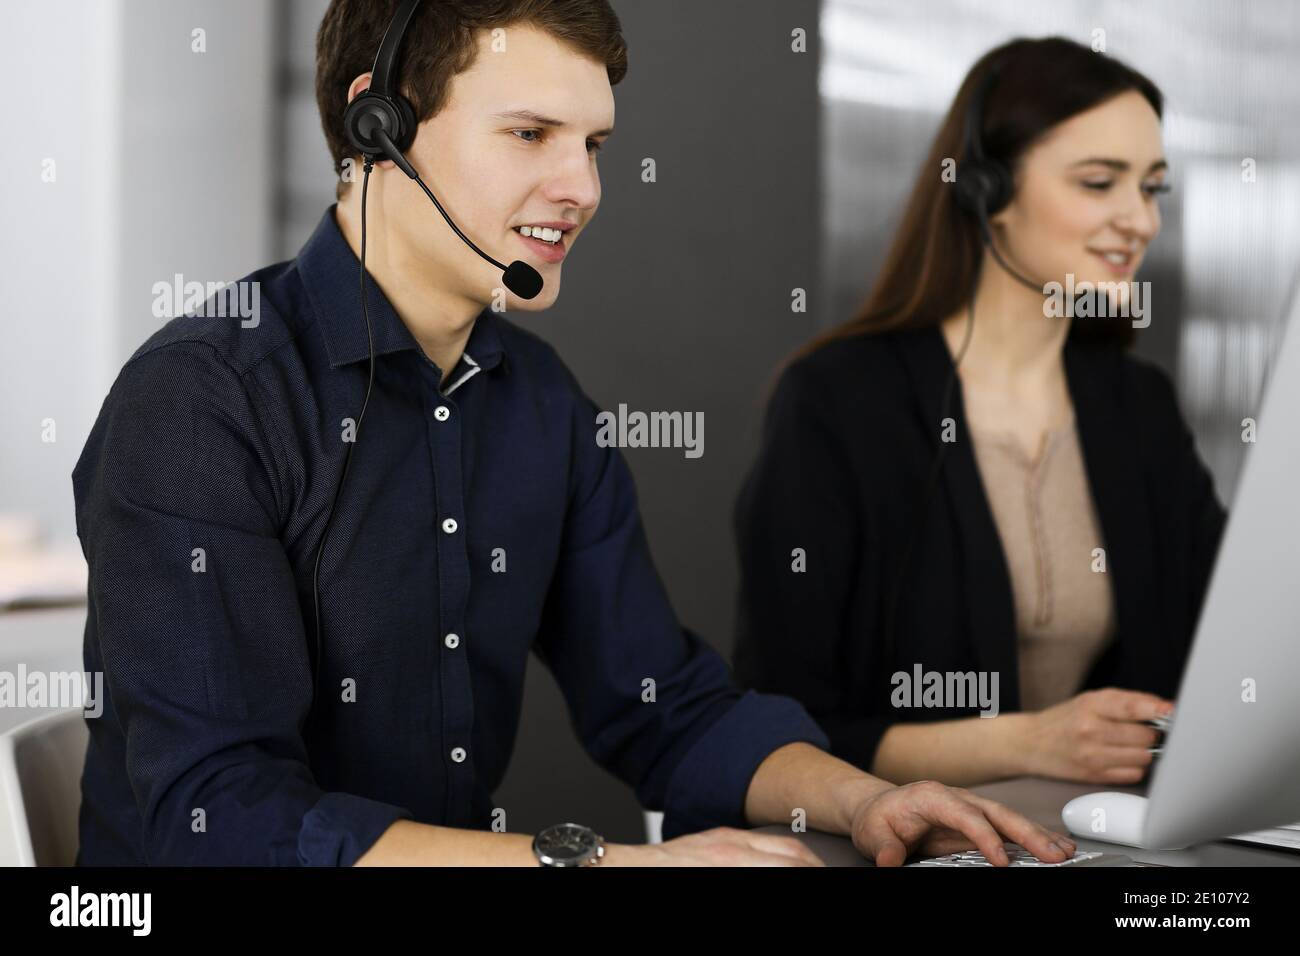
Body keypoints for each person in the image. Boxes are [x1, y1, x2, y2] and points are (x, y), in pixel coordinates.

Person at [71, 1, 1074, 867]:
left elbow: (665, 703)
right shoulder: (202, 402)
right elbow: (219, 820)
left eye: (591, 145)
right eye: (530, 134)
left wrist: (863, 801)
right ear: (377, 123)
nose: (583, 190)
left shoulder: (536, 402)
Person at [733, 37, 1225, 789]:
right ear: (986, 192)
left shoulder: (1139, 406)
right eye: (1100, 183)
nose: (1141, 221)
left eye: (1152, 188)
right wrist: (1028, 744)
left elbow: (1226, 648)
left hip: (1105, 836)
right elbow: (783, 728)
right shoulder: (838, 402)